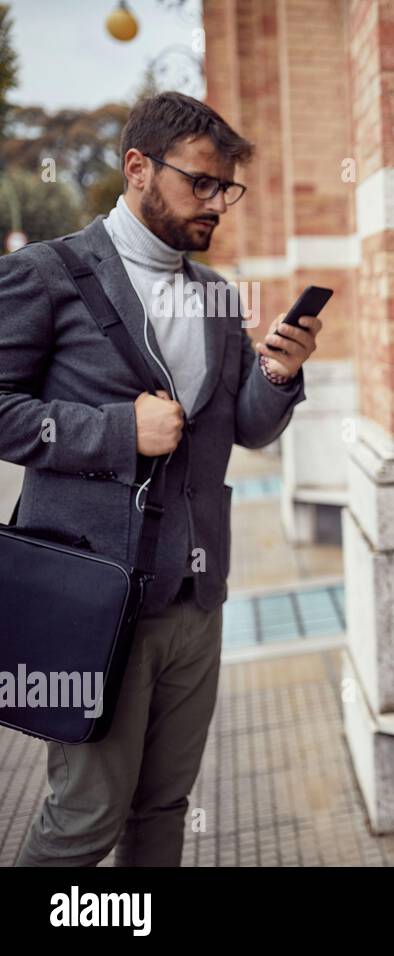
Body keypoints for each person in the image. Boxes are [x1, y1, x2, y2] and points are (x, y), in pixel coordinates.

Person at [0, 91, 324, 866]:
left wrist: (278, 374)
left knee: (164, 808)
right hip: (89, 598)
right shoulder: (47, 275)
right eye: (201, 184)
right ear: (138, 169)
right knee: (83, 821)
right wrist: (119, 431)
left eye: (227, 189)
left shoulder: (217, 298)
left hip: (194, 599)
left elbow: (244, 427)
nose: (218, 204)